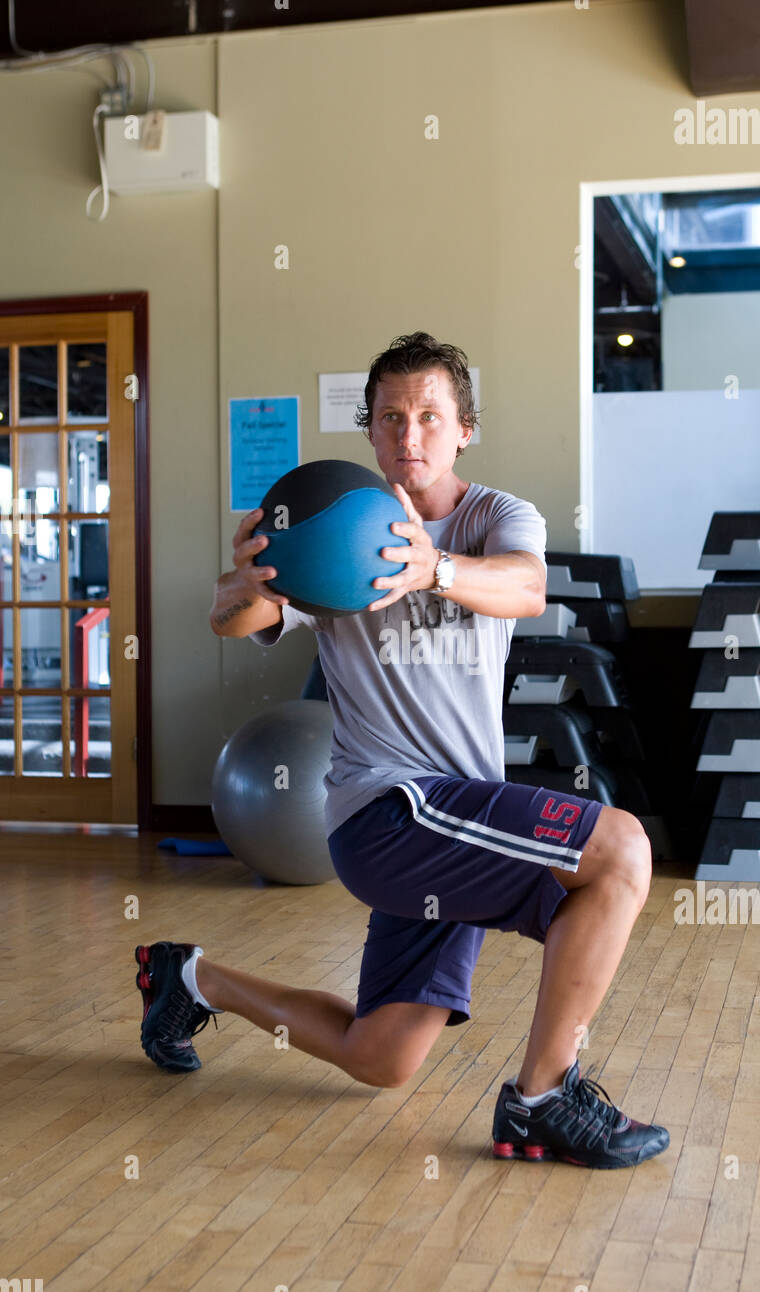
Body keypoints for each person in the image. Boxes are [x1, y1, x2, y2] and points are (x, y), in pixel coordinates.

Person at [135, 331, 669, 1170]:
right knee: (620, 848)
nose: (408, 435)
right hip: (389, 812)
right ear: (371, 431)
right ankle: (541, 1100)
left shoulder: (496, 516)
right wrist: (242, 587)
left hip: (454, 823)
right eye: (390, 417)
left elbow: (526, 589)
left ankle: (194, 979)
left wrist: (434, 570)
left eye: (429, 415)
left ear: (464, 429)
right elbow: (236, 621)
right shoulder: (336, 534)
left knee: (380, 1055)